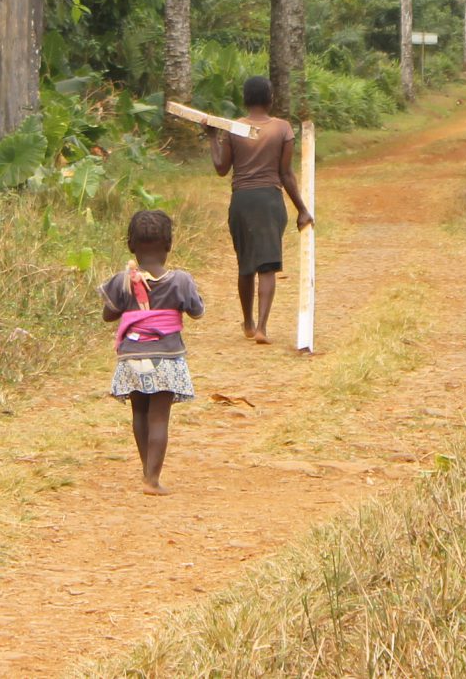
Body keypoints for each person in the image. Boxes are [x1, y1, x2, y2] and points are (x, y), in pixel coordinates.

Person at [101, 208, 205, 495]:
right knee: (159, 416)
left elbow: (108, 315)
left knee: (140, 414)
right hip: (167, 358)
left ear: (130, 245)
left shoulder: (122, 281)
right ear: (169, 245)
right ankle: (152, 478)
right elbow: (197, 311)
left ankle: (147, 468)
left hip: (131, 357)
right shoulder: (181, 280)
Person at [208, 75, 313, 345]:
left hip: (241, 201)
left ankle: (247, 322)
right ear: (271, 98)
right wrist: (302, 209)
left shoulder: (234, 128)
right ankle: (262, 327)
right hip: (269, 201)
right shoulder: (282, 129)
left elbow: (221, 169)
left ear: (245, 100)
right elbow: (286, 174)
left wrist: (212, 138)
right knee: (267, 266)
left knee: (246, 265)